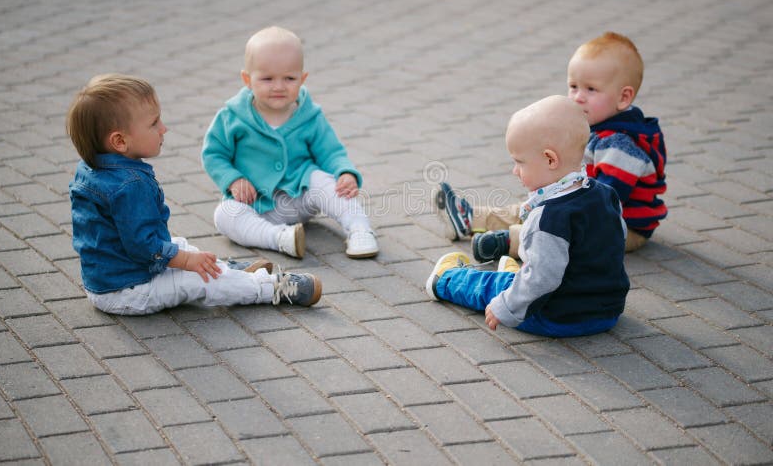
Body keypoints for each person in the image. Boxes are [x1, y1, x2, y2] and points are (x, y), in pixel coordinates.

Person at [67, 74, 321, 315]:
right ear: (120, 141)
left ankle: (227, 271)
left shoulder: (92, 169)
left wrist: (185, 258)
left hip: (107, 279)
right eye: (154, 123)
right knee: (202, 280)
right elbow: (144, 247)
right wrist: (188, 262)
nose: (163, 128)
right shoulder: (129, 186)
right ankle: (273, 288)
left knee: (179, 245)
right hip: (129, 291)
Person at [438, 31, 666, 259]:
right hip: (584, 206)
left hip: (619, 226)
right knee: (529, 207)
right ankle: (470, 218)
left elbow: (606, 202)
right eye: (573, 86)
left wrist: (560, 208)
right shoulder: (597, 125)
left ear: (623, 98)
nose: (578, 97)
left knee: (553, 230)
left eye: (591, 89)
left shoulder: (622, 145)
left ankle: (508, 242)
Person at [427, 95, 630, 337]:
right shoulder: (605, 194)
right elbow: (615, 242)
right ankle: (517, 276)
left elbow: (542, 279)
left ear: (550, 159)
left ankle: (445, 280)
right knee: (530, 274)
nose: (515, 171)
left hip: (555, 317)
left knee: (490, 286)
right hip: (606, 313)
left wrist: (505, 307)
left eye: (519, 162)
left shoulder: (548, 217)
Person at [202, 26, 378, 259]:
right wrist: (233, 179)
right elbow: (214, 154)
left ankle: (359, 229)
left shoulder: (309, 115)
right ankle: (280, 238)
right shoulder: (232, 117)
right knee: (225, 215)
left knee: (326, 182)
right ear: (247, 79)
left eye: (289, 78)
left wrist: (344, 173)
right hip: (257, 203)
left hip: (301, 196)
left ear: (302, 79)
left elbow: (331, 152)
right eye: (267, 79)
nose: (279, 86)